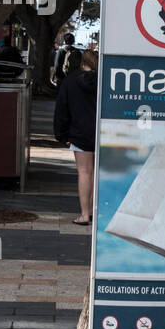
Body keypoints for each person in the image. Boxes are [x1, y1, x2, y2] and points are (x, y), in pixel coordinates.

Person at [54, 49, 99, 225]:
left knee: (84, 172)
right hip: (102, 132)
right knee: (96, 173)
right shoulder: (106, 79)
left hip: (79, 133)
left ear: (82, 62)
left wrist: (61, 134)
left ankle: (84, 214)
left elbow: (62, 109)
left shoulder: (70, 80)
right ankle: (96, 212)